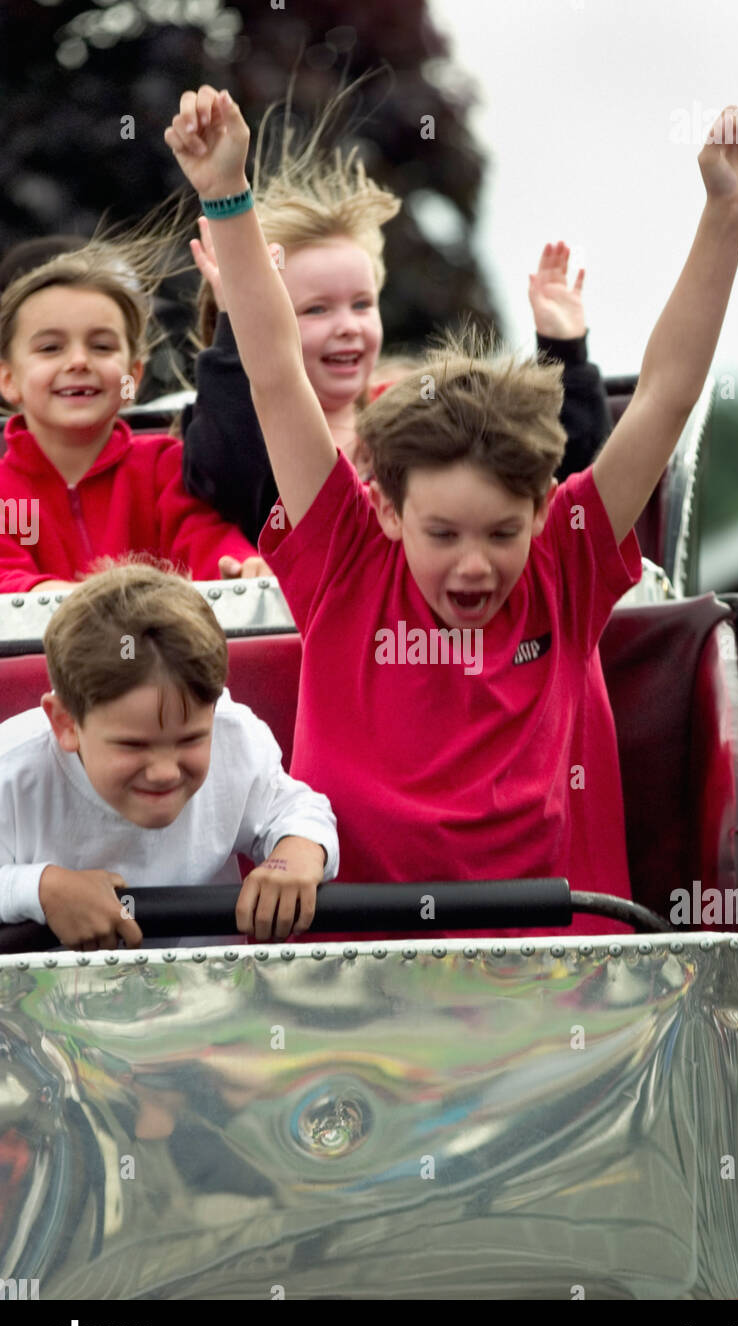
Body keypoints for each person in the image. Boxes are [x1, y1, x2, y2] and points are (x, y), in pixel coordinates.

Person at [165, 88, 738, 938]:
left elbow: (667, 397)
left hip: (556, 978)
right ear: (384, 510)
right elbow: (275, 373)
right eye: (443, 534)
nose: (474, 566)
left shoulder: (566, 561)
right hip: (359, 975)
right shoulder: (344, 554)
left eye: (501, 533)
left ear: (541, 511)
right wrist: (226, 195)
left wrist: (727, 210)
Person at [182, 138, 609, 547]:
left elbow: (551, 472)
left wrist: (564, 353)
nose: (348, 325)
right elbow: (229, 475)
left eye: (362, 304)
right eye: (316, 310)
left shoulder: (427, 417)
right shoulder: (228, 439)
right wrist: (240, 322)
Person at [0, 562, 338, 949]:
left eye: (191, 739)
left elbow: (299, 808)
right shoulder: (12, 772)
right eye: (133, 745)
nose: (164, 772)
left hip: (216, 999)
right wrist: (41, 888)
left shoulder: (234, 737)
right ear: (66, 724)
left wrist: (296, 852)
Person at [0, 243, 270, 592]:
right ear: (7, 380)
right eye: (51, 348)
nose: (79, 361)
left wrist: (243, 568)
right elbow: (6, 575)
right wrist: (61, 598)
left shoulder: (163, 466)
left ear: (134, 377)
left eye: (102, 346)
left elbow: (206, 539)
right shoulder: (7, 492)